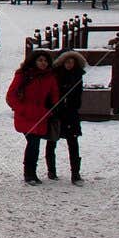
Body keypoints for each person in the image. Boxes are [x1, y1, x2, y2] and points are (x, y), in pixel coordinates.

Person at [6, 49, 61, 184]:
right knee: (33, 143)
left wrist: (52, 109)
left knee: (34, 144)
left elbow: (54, 94)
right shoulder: (23, 75)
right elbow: (11, 96)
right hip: (26, 115)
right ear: (34, 61)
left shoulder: (50, 76)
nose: (43, 63)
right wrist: (22, 109)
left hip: (41, 115)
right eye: (40, 60)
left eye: (45, 61)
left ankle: (31, 173)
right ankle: (29, 173)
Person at [48, 52, 84, 184]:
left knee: (73, 142)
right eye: (67, 61)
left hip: (71, 113)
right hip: (57, 112)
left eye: (71, 62)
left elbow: (78, 95)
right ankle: (51, 170)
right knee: (52, 140)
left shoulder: (77, 75)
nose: (69, 64)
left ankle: (75, 173)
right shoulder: (55, 75)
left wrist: (73, 105)